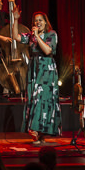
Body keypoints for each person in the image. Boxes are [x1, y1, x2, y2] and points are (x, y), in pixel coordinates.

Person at [19, 11, 61, 145]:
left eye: (40, 20)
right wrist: (15, 19)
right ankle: (36, 130)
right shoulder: (31, 36)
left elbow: (48, 50)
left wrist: (37, 36)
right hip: (34, 69)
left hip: (47, 69)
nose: (38, 22)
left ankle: (37, 130)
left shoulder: (51, 34)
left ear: (45, 22)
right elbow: (15, 36)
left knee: (43, 98)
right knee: (33, 98)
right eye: (36, 20)